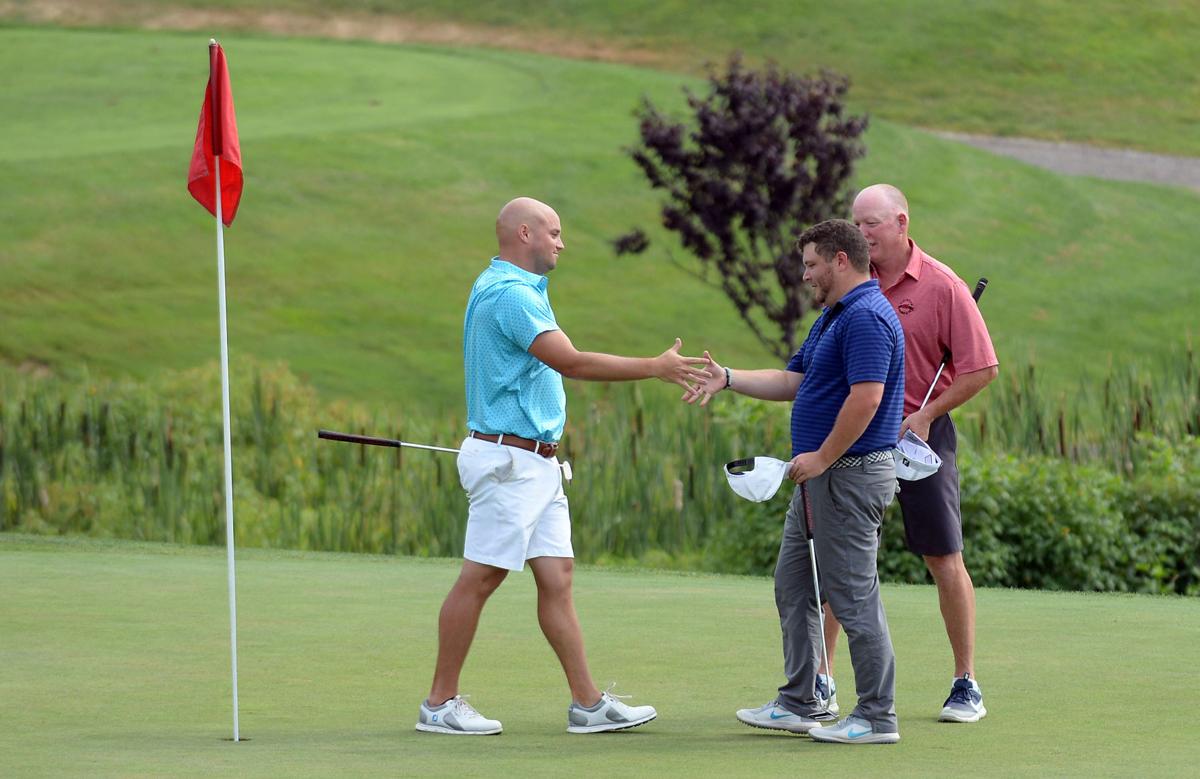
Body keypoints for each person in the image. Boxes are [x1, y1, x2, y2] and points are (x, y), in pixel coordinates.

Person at [416, 196, 707, 736]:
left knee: (557, 577)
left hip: (538, 463)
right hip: (509, 462)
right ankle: (439, 704)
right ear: (523, 233)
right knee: (481, 577)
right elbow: (570, 362)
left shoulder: (512, 288)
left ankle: (587, 704)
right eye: (553, 232)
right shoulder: (509, 295)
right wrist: (654, 367)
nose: (561, 242)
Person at [688, 219, 906, 744]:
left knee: (852, 598)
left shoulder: (867, 318)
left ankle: (877, 716)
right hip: (820, 479)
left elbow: (868, 398)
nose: (805, 275)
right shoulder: (833, 318)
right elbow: (795, 380)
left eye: (811, 264)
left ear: (839, 259)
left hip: (847, 476)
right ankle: (801, 700)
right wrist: (730, 379)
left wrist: (824, 456)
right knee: (793, 585)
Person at [816, 183, 998, 724]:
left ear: (900, 223)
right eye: (855, 222)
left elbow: (981, 368)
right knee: (841, 559)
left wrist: (926, 413)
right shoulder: (851, 283)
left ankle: (965, 682)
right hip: (855, 437)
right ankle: (822, 679)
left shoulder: (943, 286)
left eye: (871, 223)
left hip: (919, 438)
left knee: (943, 556)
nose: (861, 232)